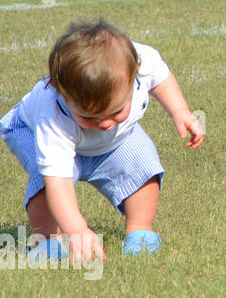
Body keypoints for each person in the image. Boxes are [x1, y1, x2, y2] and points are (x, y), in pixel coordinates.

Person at [0, 20, 205, 263]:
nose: (105, 123)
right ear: (60, 92)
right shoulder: (52, 116)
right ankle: (46, 242)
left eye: (116, 111)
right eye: (90, 116)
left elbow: (161, 76)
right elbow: (58, 183)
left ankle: (140, 230)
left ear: (134, 74)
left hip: (111, 141)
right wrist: (77, 230)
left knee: (143, 164)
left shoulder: (140, 63)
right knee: (44, 181)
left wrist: (180, 111)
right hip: (31, 130)